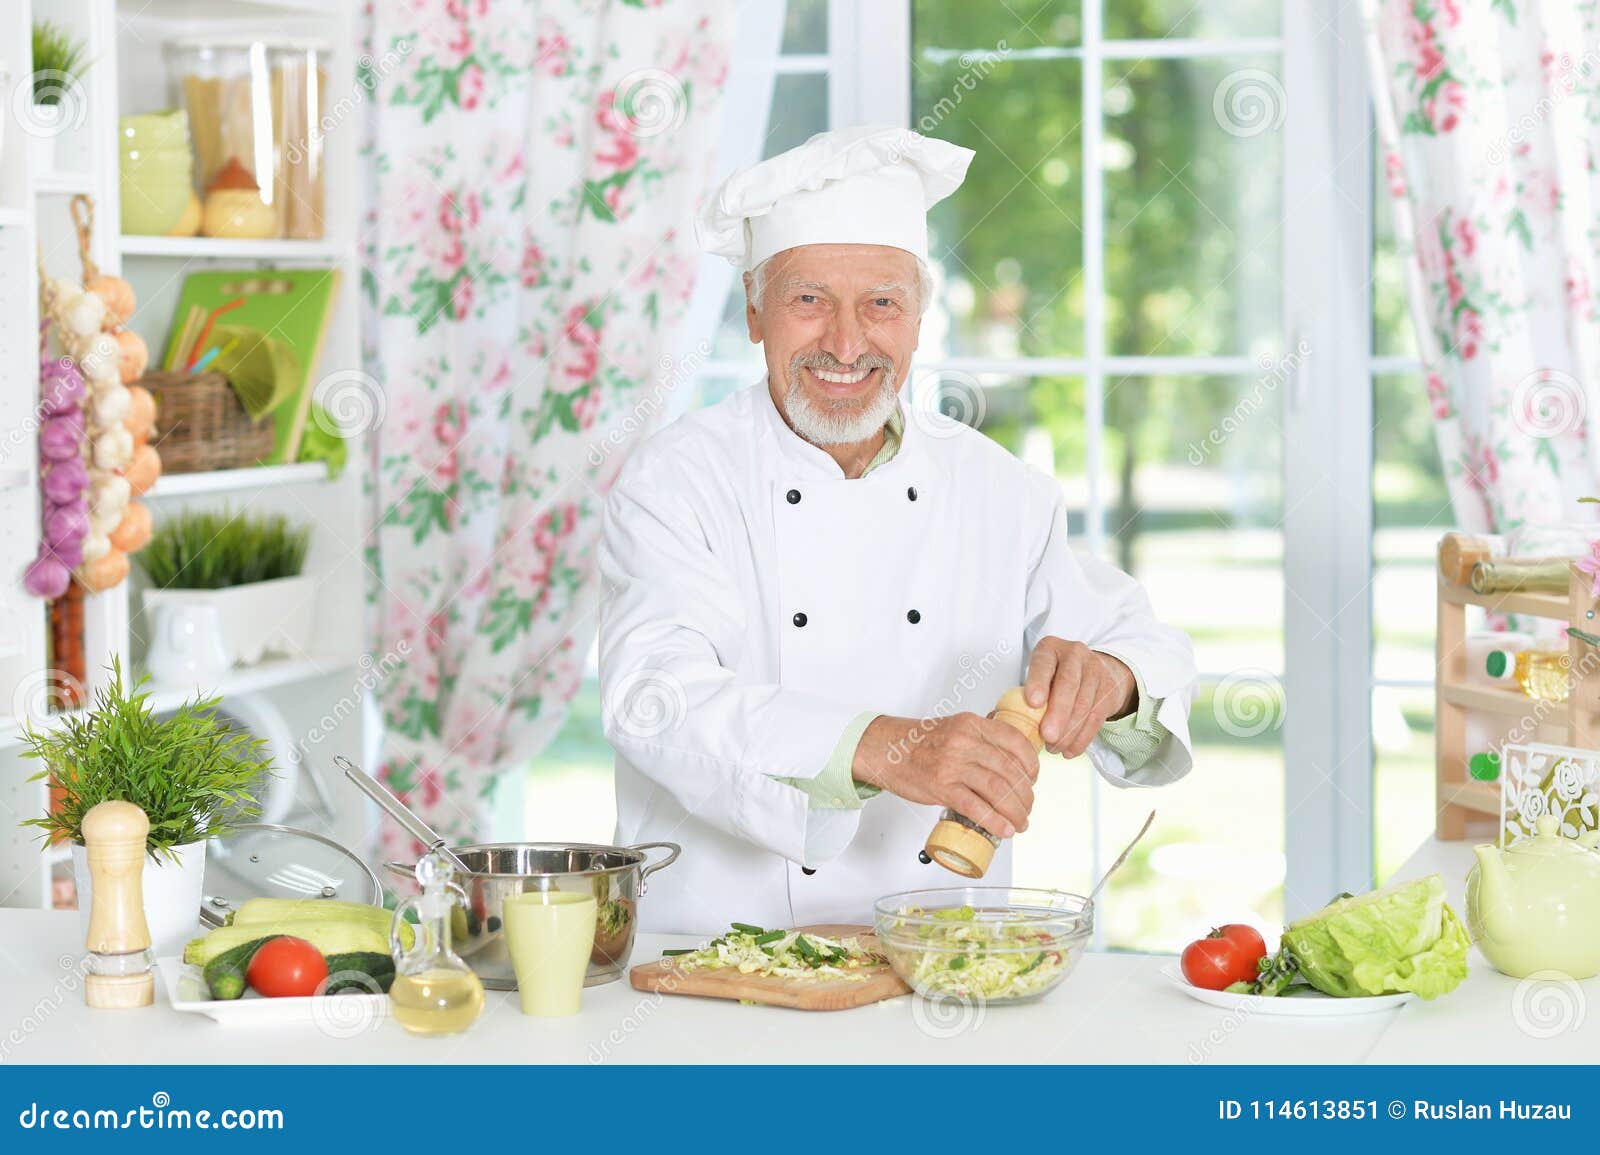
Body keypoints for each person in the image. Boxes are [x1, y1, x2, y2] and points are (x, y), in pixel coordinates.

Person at [599, 126, 1196, 933]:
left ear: (919, 317)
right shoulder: (677, 479)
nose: (847, 343)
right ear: (752, 312)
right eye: (808, 300)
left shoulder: (998, 487)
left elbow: (1139, 638)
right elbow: (656, 695)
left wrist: (1113, 681)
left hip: (943, 957)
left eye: (882, 302)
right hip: (717, 955)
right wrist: (884, 747)